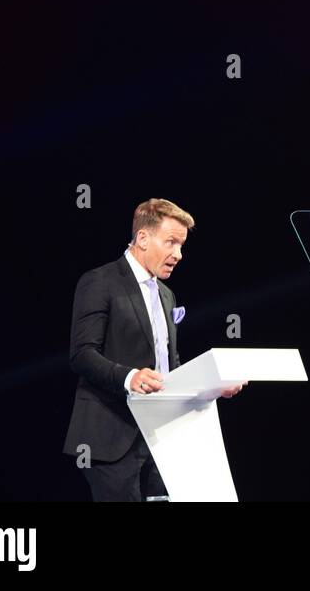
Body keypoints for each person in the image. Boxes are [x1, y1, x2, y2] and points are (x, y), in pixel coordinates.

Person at [62, 198, 243, 501]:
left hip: (160, 438)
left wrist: (211, 385)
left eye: (182, 246)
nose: (178, 254)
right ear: (143, 238)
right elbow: (81, 354)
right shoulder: (100, 281)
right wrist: (129, 377)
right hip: (112, 438)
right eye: (171, 242)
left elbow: (168, 368)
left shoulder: (166, 294)